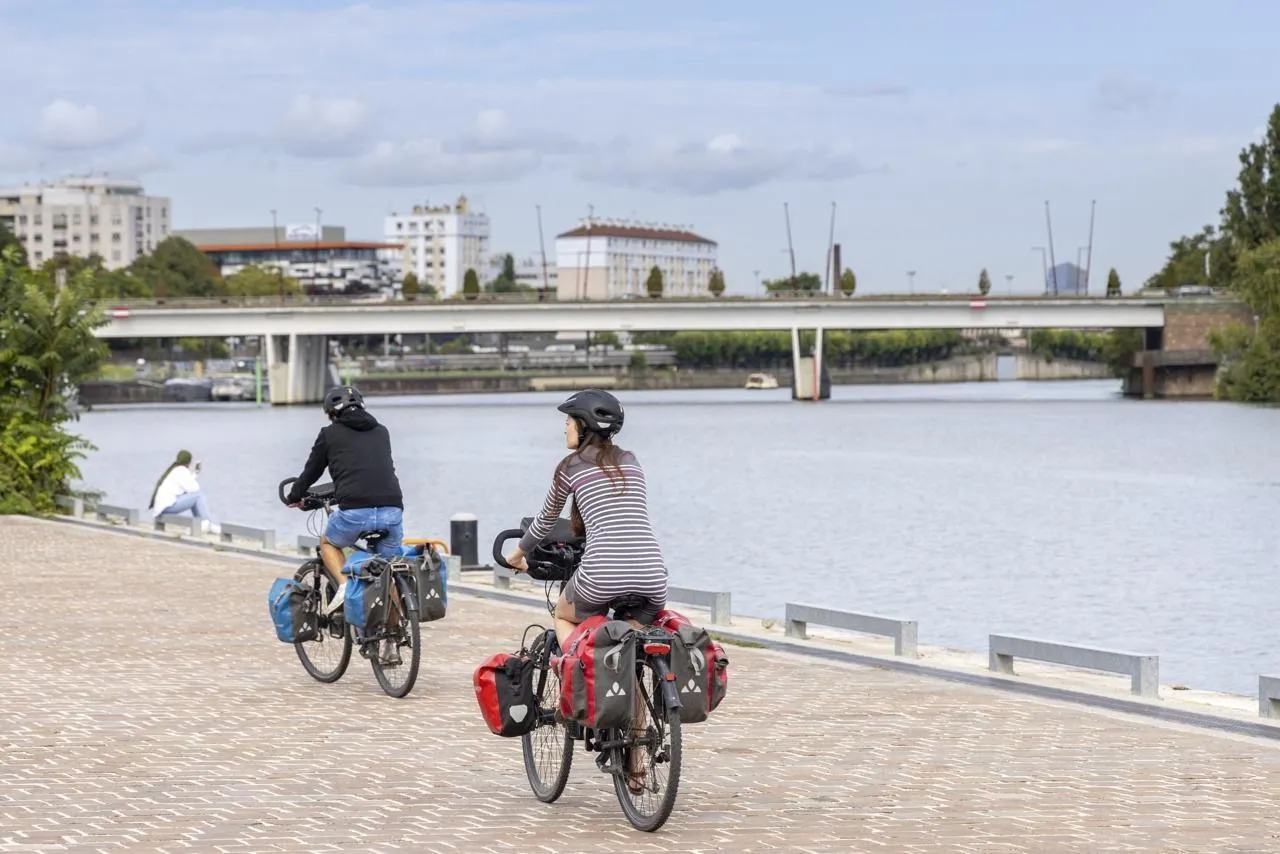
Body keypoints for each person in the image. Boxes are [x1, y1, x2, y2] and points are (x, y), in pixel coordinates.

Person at [504, 388, 667, 794]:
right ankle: (636, 763)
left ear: (583, 425)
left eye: (567, 421)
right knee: (630, 650)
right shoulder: (632, 461)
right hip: (653, 577)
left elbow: (544, 523)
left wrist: (518, 554)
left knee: (564, 614)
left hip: (602, 575)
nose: (564, 429)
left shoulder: (569, 467)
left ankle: (572, 669)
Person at [284, 385, 405, 665]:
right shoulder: (382, 430)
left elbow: (312, 470)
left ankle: (345, 590)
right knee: (389, 570)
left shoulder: (329, 434)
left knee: (328, 542)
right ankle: (392, 641)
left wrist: (295, 496)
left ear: (331, 414)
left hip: (354, 512)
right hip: (392, 509)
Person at [149, 450, 219, 534]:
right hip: (168, 507)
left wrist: (195, 473)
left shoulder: (175, 470)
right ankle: (207, 523)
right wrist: (195, 474)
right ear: (188, 462)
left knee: (195, 498)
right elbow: (194, 489)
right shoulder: (182, 471)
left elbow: (187, 486)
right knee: (199, 496)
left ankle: (204, 523)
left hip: (162, 508)